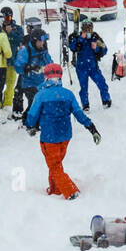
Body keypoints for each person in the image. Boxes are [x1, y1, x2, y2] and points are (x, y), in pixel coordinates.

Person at [24, 63, 101, 200]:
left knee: (54, 166)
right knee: (56, 163)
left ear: (46, 77)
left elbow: (32, 115)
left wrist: (30, 127)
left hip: (49, 137)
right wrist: (91, 128)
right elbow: (79, 113)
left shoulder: (41, 95)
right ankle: (55, 189)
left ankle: (71, 192)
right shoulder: (68, 94)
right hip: (65, 137)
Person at [67, 18, 112, 111]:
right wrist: (80, 39)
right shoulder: (78, 37)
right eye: (85, 28)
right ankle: (85, 105)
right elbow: (72, 47)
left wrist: (96, 48)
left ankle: (106, 101)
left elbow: (104, 50)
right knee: (84, 87)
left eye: (89, 28)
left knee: (102, 84)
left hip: (93, 67)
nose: (87, 31)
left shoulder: (96, 38)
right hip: (81, 67)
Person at [13, 24, 53, 117]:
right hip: (28, 82)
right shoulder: (25, 51)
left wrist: (51, 69)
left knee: (38, 103)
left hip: (40, 82)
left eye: (43, 41)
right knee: (35, 102)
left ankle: (31, 121)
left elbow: (49, 62)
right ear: (35, 40)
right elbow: (18, 67)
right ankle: (27, 121)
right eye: (40, 41)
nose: (42, 43)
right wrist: (30, 68)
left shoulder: (43, 50)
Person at [1, 7, 26, 116]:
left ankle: (7, 104)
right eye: (4, 17)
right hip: (0, 62)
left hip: (12, 61)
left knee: (10, 84)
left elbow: (21, 40)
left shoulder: (17, 28)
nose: (6, 19)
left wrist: (11, 33)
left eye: (8, 17)